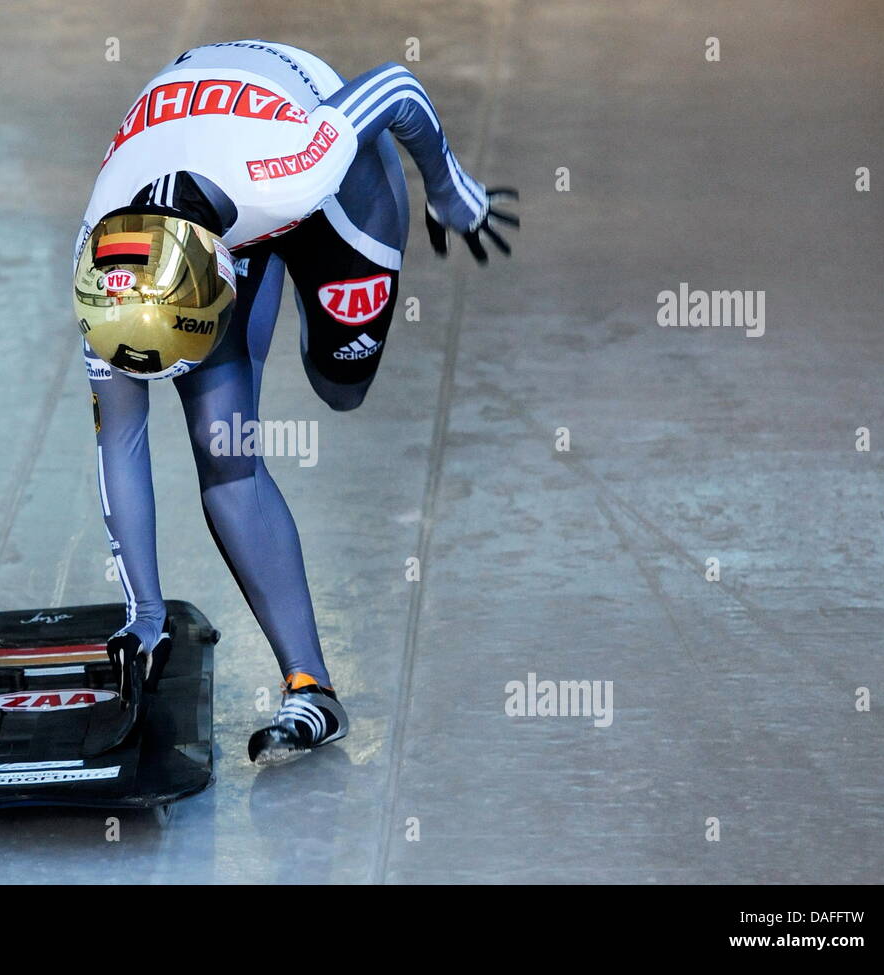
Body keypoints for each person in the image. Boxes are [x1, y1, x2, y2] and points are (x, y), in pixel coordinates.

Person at [72, 39, 517, 765]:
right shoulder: (101, 272)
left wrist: (450, 190)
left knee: (341, 383)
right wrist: (142, 614)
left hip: (314, 181)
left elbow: (397, 88)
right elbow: (118, 439)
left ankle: (274, 275)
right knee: (225, 448)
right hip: (215, 201)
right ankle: (311, 684)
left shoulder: (291, 173)